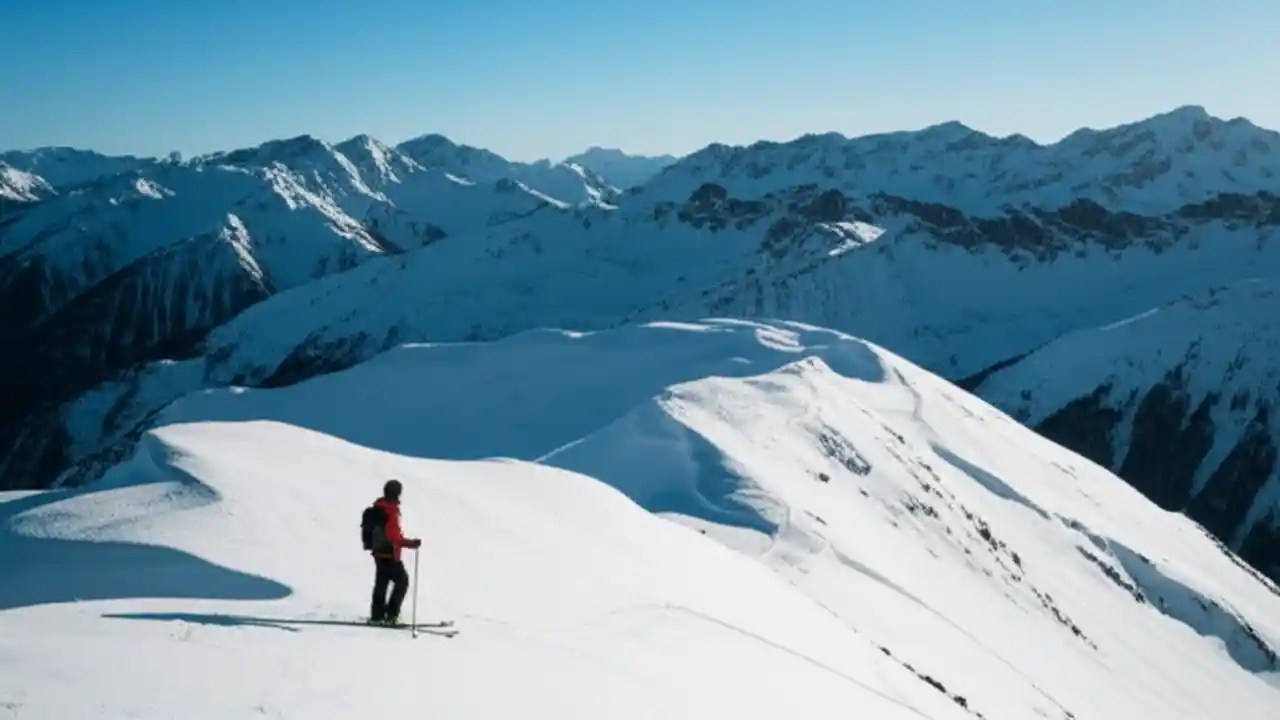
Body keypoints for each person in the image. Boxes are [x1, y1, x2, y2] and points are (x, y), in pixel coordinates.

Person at [368, 479, 421, 625]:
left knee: (381, 584)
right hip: (391, 554)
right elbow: (393, 537)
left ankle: (377, 616)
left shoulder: (378, 508)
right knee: (402, 582)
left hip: (379, 553)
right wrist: (411, 543)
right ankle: (391, 616)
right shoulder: (390, 510)